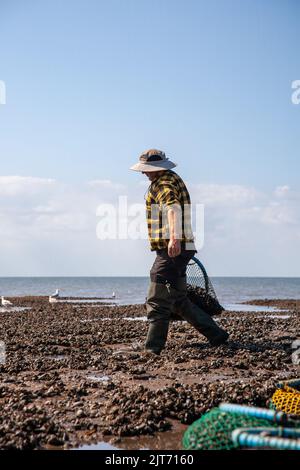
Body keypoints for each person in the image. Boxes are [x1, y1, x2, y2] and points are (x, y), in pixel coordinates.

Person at [130, 149, 229, 356]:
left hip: (173, 247)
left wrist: (174, 238)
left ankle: (152, 349)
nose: (143, 173)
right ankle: (217, 335)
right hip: (182, 247)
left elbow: (173, 208)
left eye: (146, 170)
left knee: (157, 298)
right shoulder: (171, 178)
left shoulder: (163, 183)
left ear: (156, 168)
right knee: (178, 300)